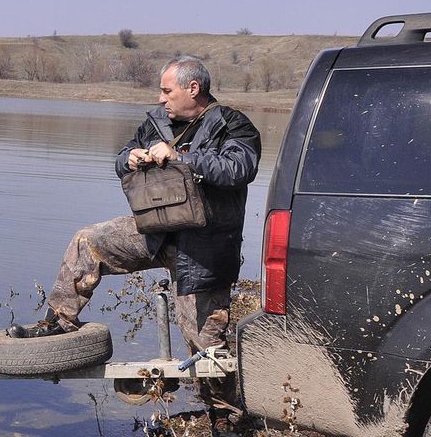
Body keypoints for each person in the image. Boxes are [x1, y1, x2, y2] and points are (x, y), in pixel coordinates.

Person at [24, 56, 261, 360]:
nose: (161, 98)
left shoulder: (233, 125)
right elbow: (120, 158)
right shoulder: (156, 123)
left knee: (205, 345)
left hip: (205, 248)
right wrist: (130, 159)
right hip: (154, 232)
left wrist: (181, 158)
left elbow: (239, 169)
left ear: (193, 88)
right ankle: (57, 323)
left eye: (167, 91)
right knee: (87, 241)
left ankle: (217, 393)